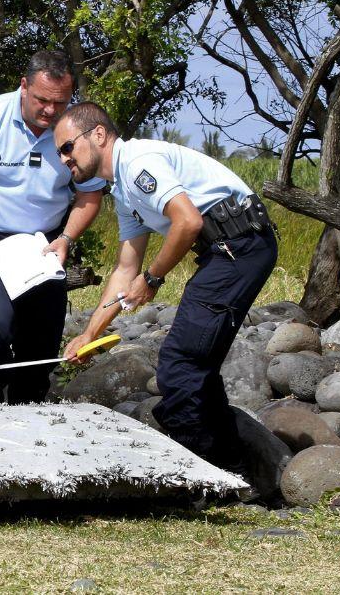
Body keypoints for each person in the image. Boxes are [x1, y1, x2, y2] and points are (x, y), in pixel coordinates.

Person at [55, 102, 278, 477]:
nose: (64, 159)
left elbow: (187, 222)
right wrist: (89, 334)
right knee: (193, 365)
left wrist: (154, 279)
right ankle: (233, 470)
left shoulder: (139, 160)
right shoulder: (124, 191)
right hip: (225, 251)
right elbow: (126, 269)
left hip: (240, 245)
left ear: (97, 135)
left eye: (67, 148)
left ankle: (208, 473)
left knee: (180, 365)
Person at [0, 51, 104, 406]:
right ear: (24, 86)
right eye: (42, 100)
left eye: (59, 102)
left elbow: (89, 196)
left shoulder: (76, 131)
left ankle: (29, 415)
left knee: (42, 340)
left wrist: (67, 238)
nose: (49, 111)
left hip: (45, 243)